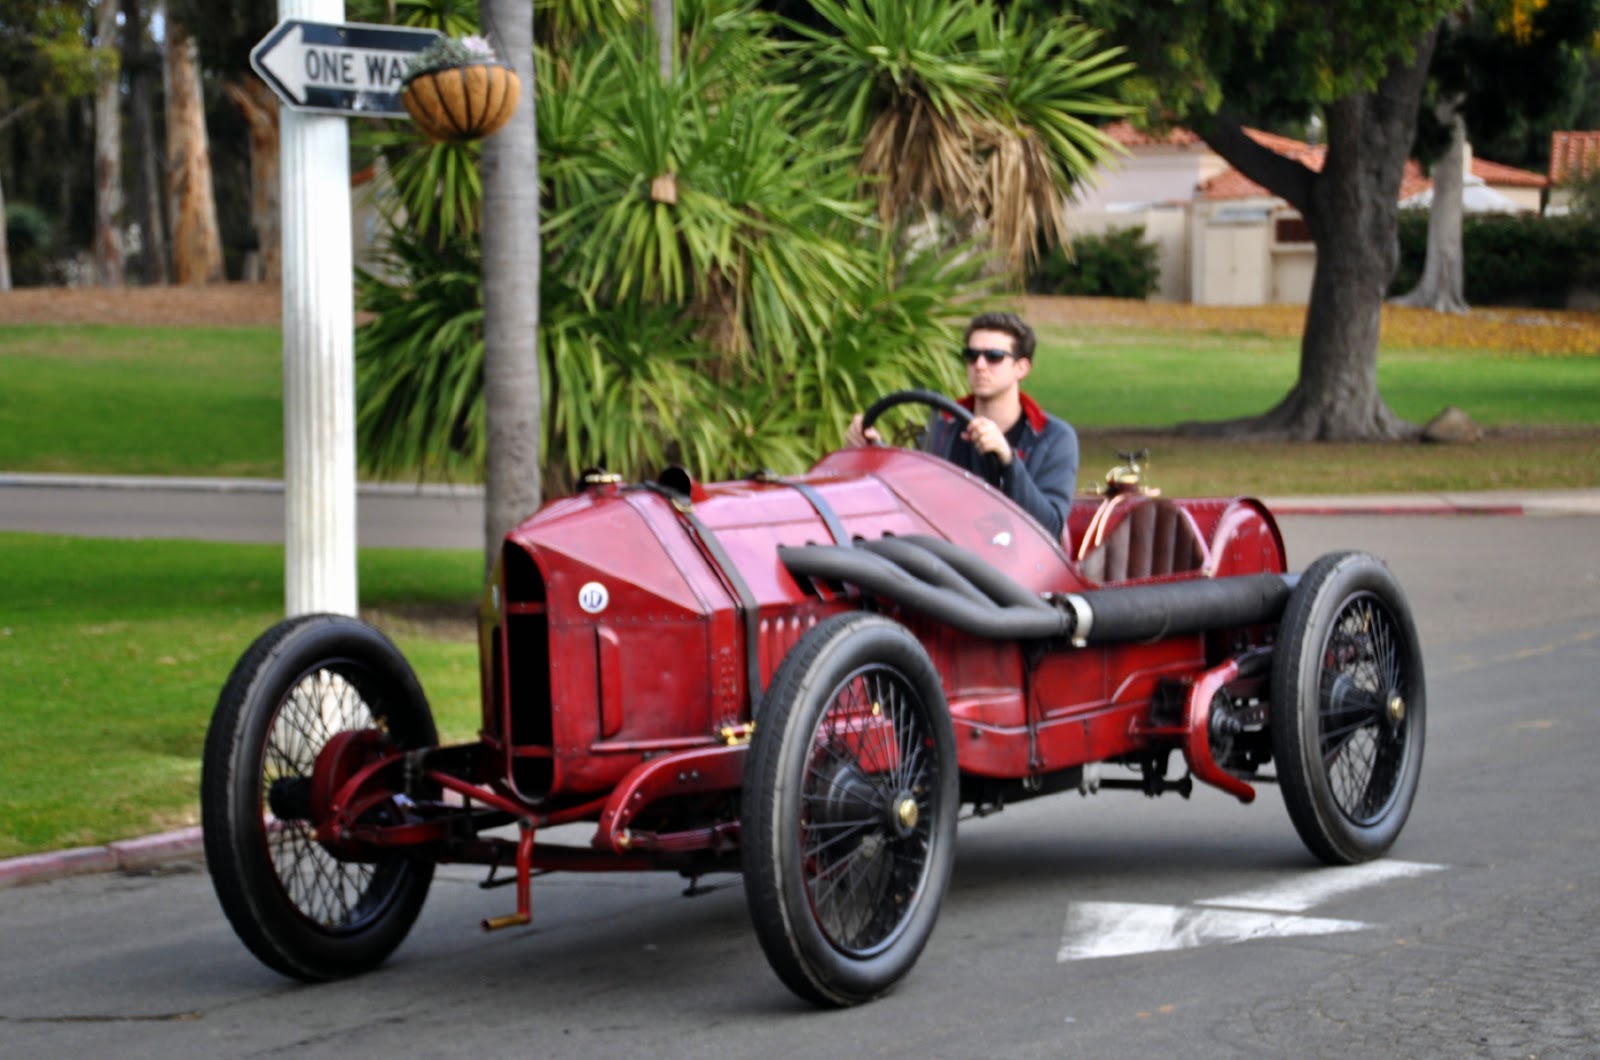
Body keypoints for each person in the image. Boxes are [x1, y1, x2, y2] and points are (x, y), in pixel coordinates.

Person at [846, 311, 1079, 541]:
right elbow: (911, 497)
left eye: (994, 356)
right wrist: (873, 450)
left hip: (1016, 568)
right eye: (971, 355)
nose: (979, 365)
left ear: (1021, 368)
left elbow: (1049, 528)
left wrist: (1007, 460)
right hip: (946, 563)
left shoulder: (1053, 438)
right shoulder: (944, 427)